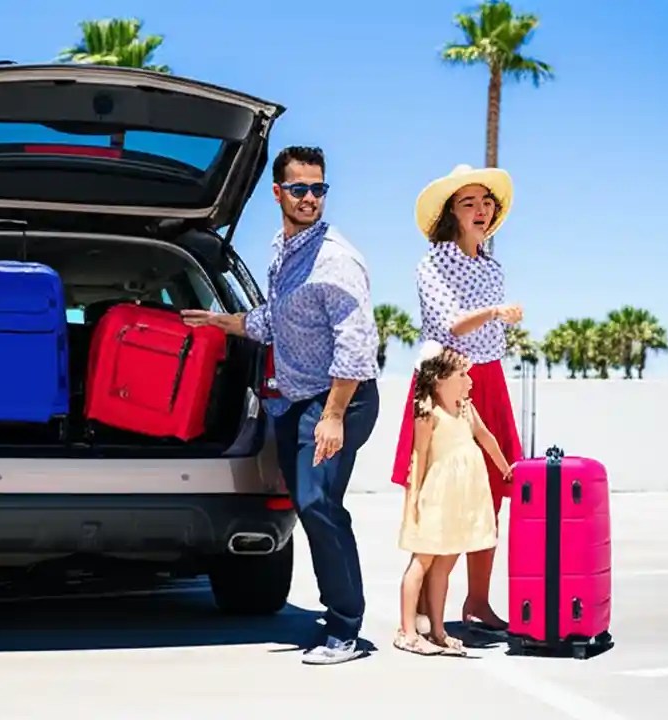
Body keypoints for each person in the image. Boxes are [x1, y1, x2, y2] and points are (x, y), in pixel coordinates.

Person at [180, 146, 380, 666]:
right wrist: (220, 322)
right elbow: (273, 320)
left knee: (318, 505)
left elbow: (356, 347)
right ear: (279, 193)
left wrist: (333, 416)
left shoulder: (337, 259)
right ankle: (341, 619)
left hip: (340, 398)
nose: (310, 197)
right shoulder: (281, 250)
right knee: (309, 505)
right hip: (294, 399)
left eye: (318, 188)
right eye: (300, 189)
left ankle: (344, 630)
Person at [390, 164, 523, 635]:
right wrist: (493, 312)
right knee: (436, 490)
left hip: (488, 378)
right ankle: (422, 610)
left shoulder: (492, 265)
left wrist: (494, 314)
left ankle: (478, 603)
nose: (480, 209)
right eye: (468, 202)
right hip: (446, 380)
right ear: (452, 212)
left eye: (485, 201)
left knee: (491, 494)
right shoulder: (435, 262)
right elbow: (449, 325)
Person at [395, 341, 513, 657]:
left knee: (444, 565)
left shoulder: (465, 408)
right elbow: (418, 457)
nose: (470, 380)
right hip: (435, 496)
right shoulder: (426, 413)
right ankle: (408, 632)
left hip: (461, 498)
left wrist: (505, 469)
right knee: (421, 562)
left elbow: (487, 438)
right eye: (463, 374)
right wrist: (415, 498)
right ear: (441, 378)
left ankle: (436, 631)